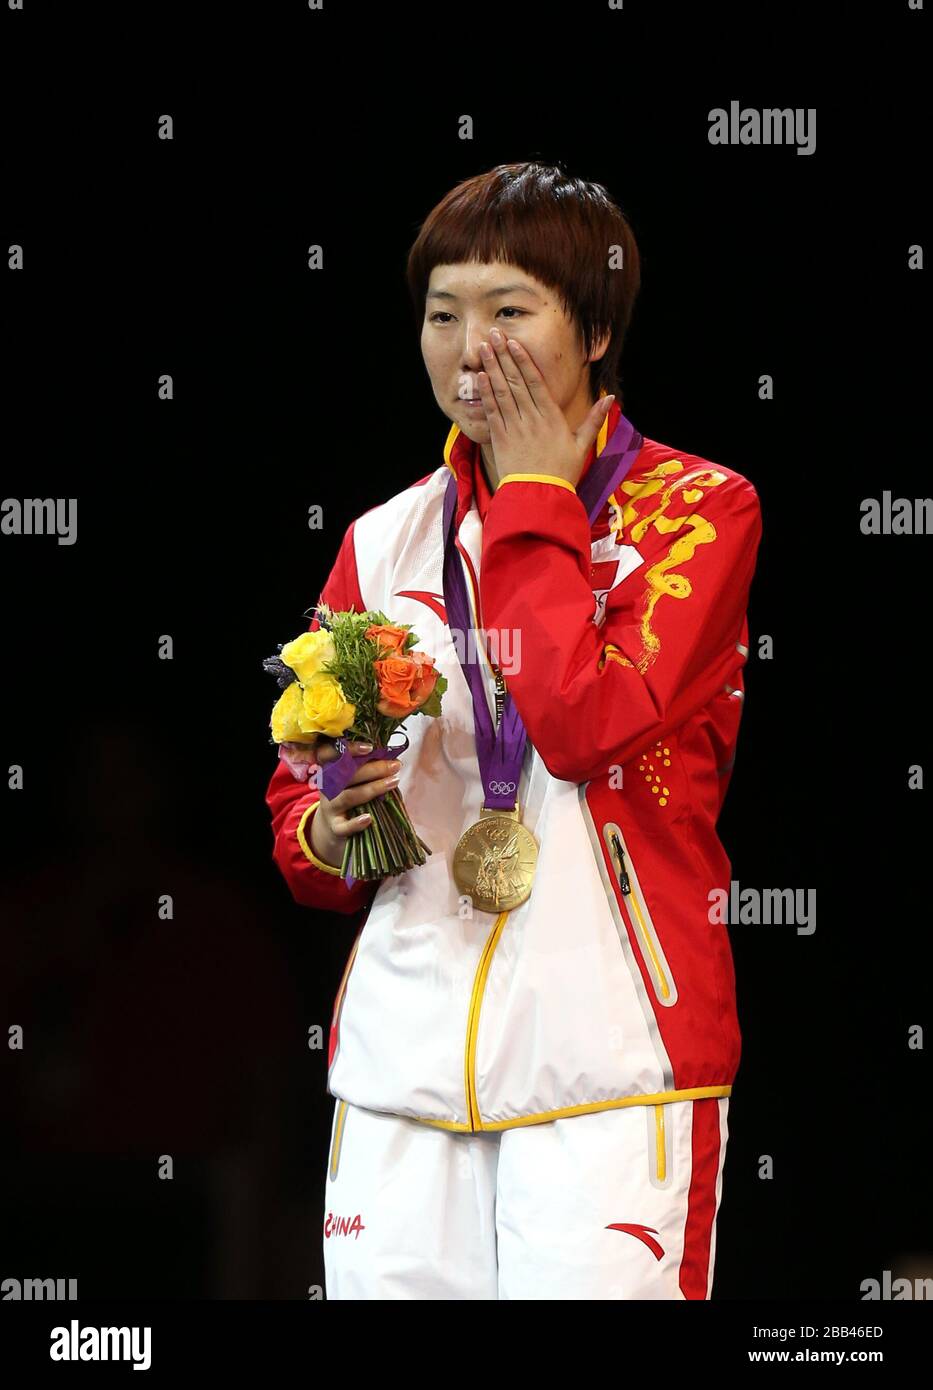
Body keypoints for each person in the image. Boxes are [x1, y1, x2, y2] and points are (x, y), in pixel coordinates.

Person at [265, 161, 763, 1300]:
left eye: (508, 311)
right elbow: (299, 799)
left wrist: (535, 500)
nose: (469, 349)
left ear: (595, 330)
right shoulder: (384, 538)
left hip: (613, 1068)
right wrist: (330, 832)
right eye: (443, 314)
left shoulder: (698, 513)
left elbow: (585, 723)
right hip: (398, 1077)